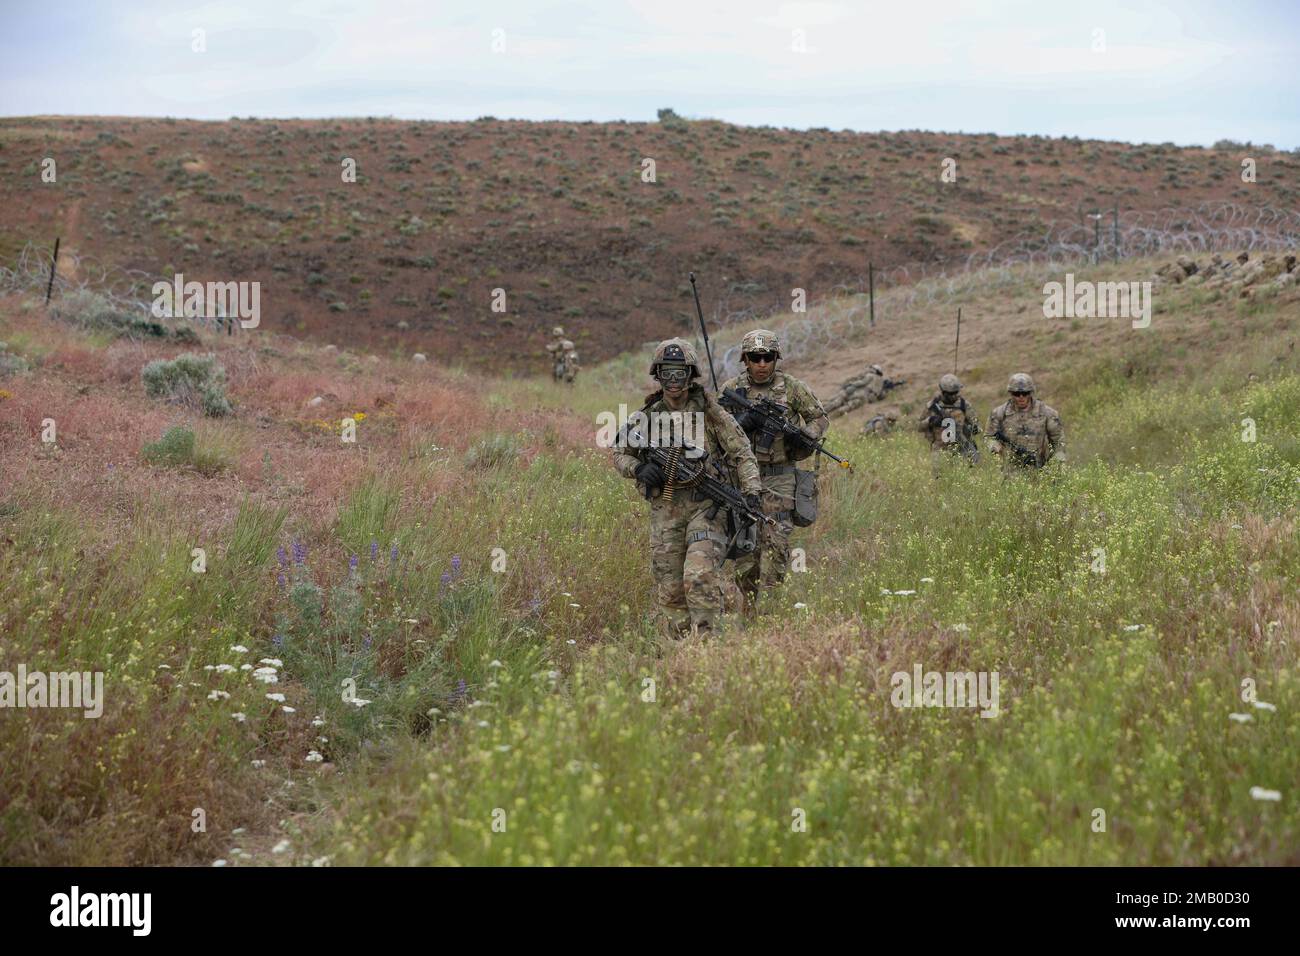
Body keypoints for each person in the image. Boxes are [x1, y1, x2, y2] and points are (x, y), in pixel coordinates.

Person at [611, 338, 761, 638]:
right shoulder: (647, 416)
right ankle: (679, 655)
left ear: (690, 374)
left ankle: (708, 648)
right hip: (664, 512)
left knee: (699, 575)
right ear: (658, 375)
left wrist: (752, 493)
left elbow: (742, 453)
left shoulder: (711, 412)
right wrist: (639, 468)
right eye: (667, 373)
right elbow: (619, 453)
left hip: (707, 507)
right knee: (671, 590)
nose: (674, 381)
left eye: (680, 373)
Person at [719, 329, 829, 607]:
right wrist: (743, 422)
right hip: (742, 477)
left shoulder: (792, 387)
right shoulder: (731, 389)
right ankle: (749, 605)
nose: (762, 364)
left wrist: (805, 435)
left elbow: (819, 418)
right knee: (746, 548)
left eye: (767, 357)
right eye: (755, 358)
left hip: (780, 476)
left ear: (775, 358)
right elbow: (715, 430)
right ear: (745, 359)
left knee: (777, 542)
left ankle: (771, 605)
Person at [986, 373, 1065, 472]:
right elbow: (989, 436)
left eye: (1025, 393)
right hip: (1009, 470)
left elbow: (1058, 442)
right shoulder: (999, 413)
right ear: (1010, 393)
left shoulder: (1047, 413)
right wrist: (995, 447)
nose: (1021, 397)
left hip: (1039, 467)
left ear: (1031, 392)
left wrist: (1056, 465)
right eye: (1016, 394)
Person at [918, 373, 980, 476]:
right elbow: (919, 427)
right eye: (951, 393)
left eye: (956, 392)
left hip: (961, 448)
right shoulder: (932, 406)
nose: (954, 396)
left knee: (964, 479)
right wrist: (930, 420)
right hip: (939, 451)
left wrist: (970, 429)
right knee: (939, 481)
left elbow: (976, 426)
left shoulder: (964, 405)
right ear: (943, 392)